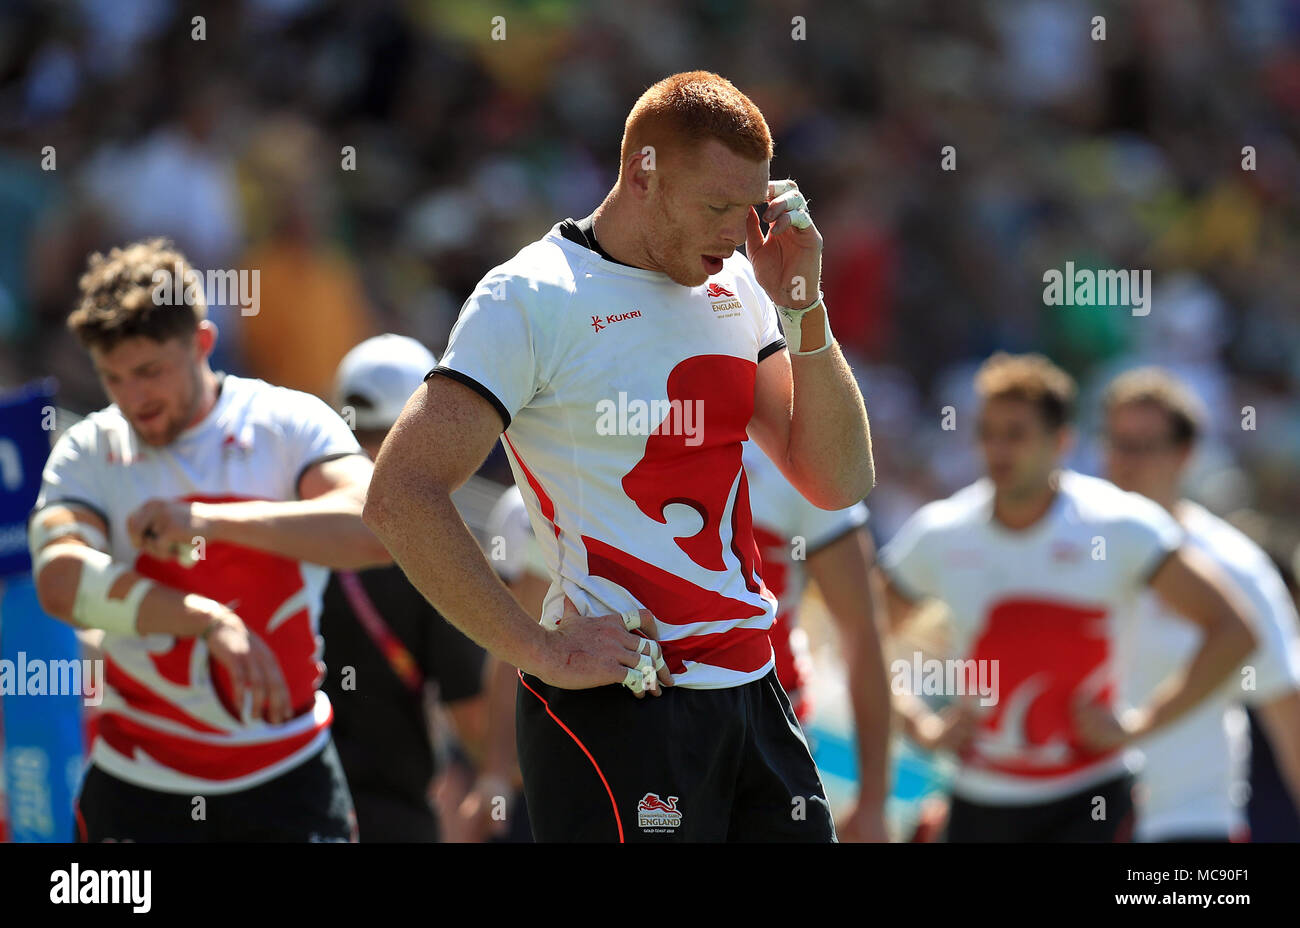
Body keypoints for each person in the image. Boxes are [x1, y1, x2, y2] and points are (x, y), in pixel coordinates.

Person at [363, 71, 875, 842]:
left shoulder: (741, 282)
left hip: (756, 691)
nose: (738, 234)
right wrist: (535, 646)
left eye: (749, 209)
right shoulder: (531, 296)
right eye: (716, 207)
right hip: (621, 707)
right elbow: (400, 494)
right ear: (644, 170)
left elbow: (838, 481)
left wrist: (804, 307)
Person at [27, 238, 390, 842]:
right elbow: (60, 582)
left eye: (149, 371)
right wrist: (205, 621)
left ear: (201, 343)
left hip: (287, 775)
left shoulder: (286, 422)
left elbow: (377, 528)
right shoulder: (90, 450)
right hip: (136, 784)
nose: (134, 398)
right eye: (113, 377)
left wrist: (206, 521)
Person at [876, 352, 1257, 843]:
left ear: (1061, 442)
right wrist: (920, 726)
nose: (998, 450)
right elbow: (860, 635)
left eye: (1016, 434)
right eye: (987, 433)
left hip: (1092, 799)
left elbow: (1233, 631)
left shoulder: (1119, 525)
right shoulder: (941, 532)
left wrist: (1139, 725)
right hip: (978, 800)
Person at [321, 333, 512, 842]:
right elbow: (470, 715)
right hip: (392, 815)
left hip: (290, 802)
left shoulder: (292, 527)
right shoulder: (431, 543)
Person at [1102, 367, 1300, 842]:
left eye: (1145, 445)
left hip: (1190, 825)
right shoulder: (1068, 550)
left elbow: (1287, 709)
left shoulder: (1233, 564)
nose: (1127, 462)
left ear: (1184, 454)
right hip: (1083, 821)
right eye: (1118, 442)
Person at [741, 438, 891, 842]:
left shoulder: (797, 457)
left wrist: (873, 803)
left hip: (771, 738)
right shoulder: (621, 431)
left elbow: (861, 632)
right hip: (652, 724)